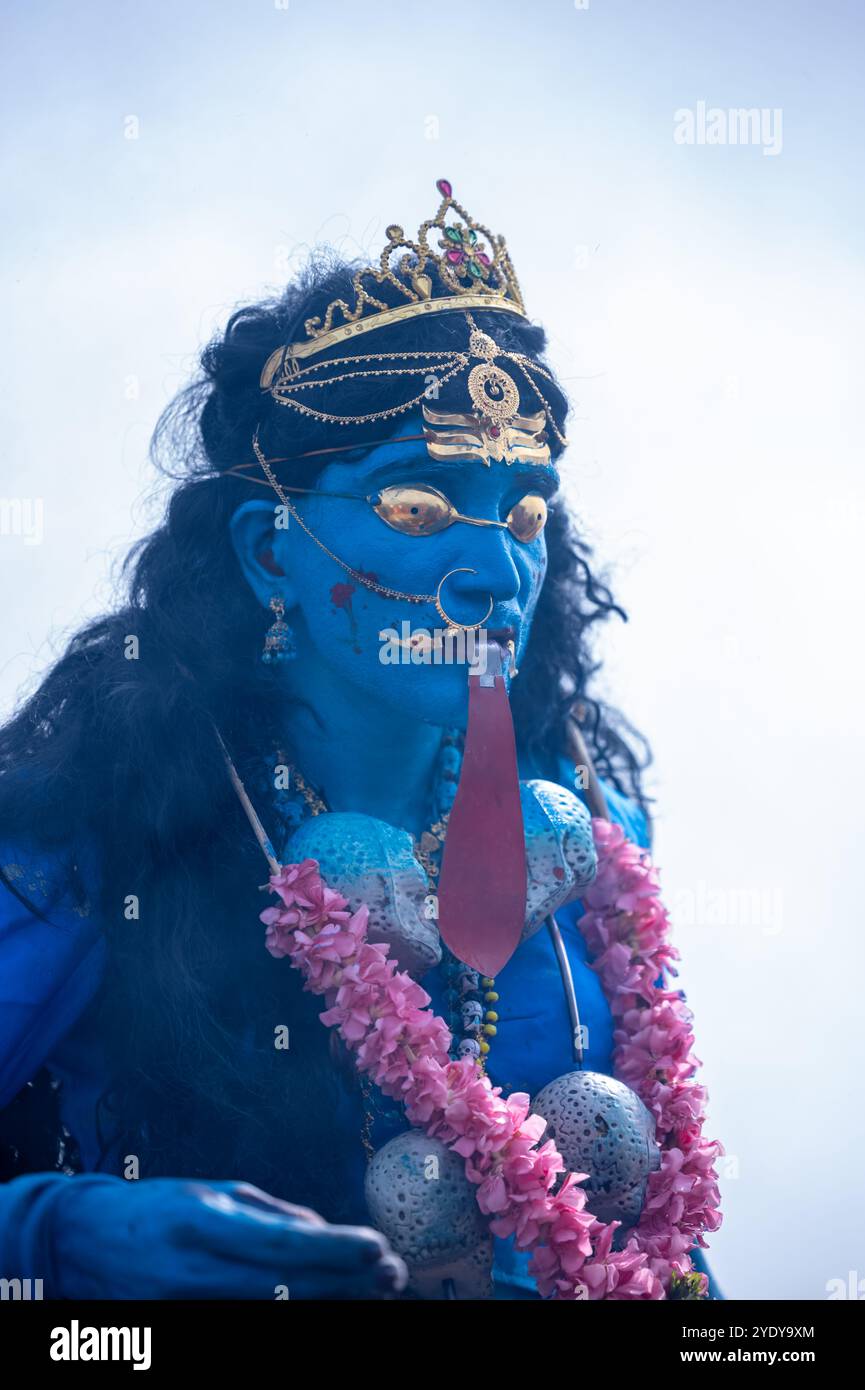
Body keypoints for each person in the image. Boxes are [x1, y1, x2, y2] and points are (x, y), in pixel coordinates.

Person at [0, 180, 722, 1299]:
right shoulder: (85, 828)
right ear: (266, 553)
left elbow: (665, 1253)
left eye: (524, 510)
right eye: (418, 506)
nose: (496, 571)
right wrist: (52, 1235)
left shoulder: (588, 826)